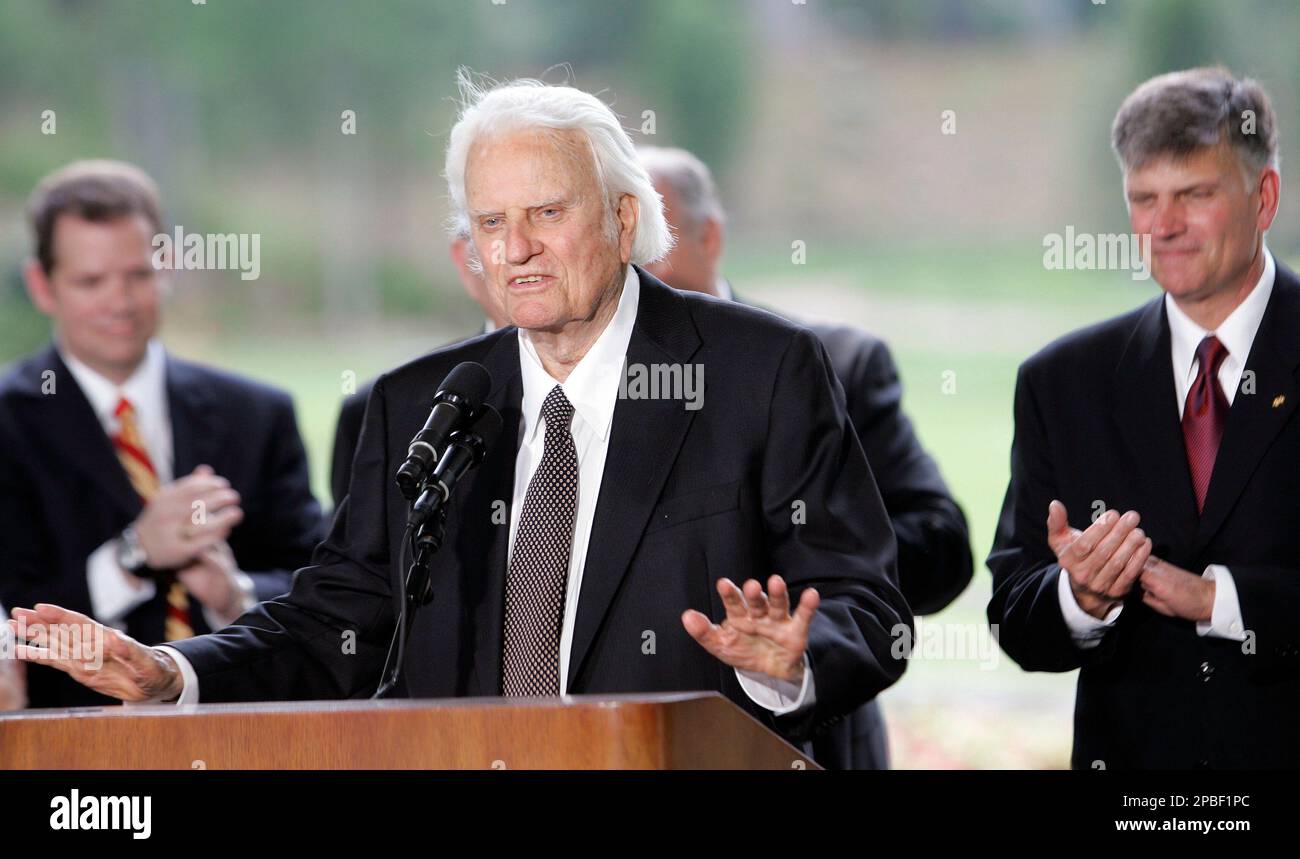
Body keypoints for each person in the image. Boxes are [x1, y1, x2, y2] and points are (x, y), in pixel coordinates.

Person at [10, 76, 911, 749]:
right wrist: (172, 670)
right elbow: (336, 621)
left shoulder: (761, 369)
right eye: (488, 224)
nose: (512, 250)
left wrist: (792, 660)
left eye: (545, 213)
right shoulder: (424, 403)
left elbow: (870, 604)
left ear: (625, 220)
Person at [988, 67, 1300, 768]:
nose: (1164, 226)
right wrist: (1079, 596)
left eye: (1194, 195)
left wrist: (1222, 600)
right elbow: (1014, 612)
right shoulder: (1061, 381)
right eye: (1144, 199)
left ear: (1265, 196)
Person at [639, 145, 972, 768]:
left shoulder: (834, 364)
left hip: (817, 740)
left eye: (656, 232)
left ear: (710, 235)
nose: (637, 261)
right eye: (625, 235)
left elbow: (943, 547)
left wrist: (814, 558)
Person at [0, 160, 323, 708]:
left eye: (139, 275)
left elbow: (328, 585)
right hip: (72, 743)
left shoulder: (257, 413)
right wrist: (133, 554)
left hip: (242, 728)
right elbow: (11, 619)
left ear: (167, 266)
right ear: (42, 285)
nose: (120, 302)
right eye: (90, 281)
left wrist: (236, 593)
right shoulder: (8, 423)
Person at [330, 235, 506, 510]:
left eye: (548, 214)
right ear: (464, 259)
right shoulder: (378, 409)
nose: (520, 249)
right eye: (494, 223)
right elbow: (351, 549)